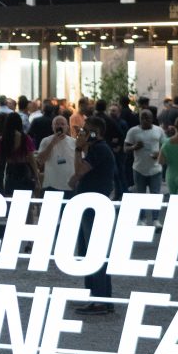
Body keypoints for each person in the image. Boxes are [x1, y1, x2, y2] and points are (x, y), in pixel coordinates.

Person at [71, 117, 117, 316]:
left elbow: (78, 171)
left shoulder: (99, 149)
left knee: (94, 254)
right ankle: (99, 298)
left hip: (94, 207)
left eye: (85, 130)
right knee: (89, 254)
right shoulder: (97, 149)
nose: (82, 133)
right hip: (91, 205)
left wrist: (77, 149)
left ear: (95, 132)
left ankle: (99, 299)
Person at [122, 109, 166, 198]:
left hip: (155, 170)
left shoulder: (159, 130)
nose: (144, 121)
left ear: (152, 119)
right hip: (139, 170)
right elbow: (125, 148)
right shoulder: (133, 131)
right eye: (142, 118)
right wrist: (134, 147)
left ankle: (154, 208)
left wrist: (159, 154)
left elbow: (165, 146)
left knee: (155, 197)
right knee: (140, 197)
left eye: (147, 118)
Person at [0, 115, 37, 196]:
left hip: (8, 170)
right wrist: (36, 175)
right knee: (25, 197)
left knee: (10, 197)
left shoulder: (2, 140)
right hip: (24, 170)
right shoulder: (25, 138)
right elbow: (31, 158)